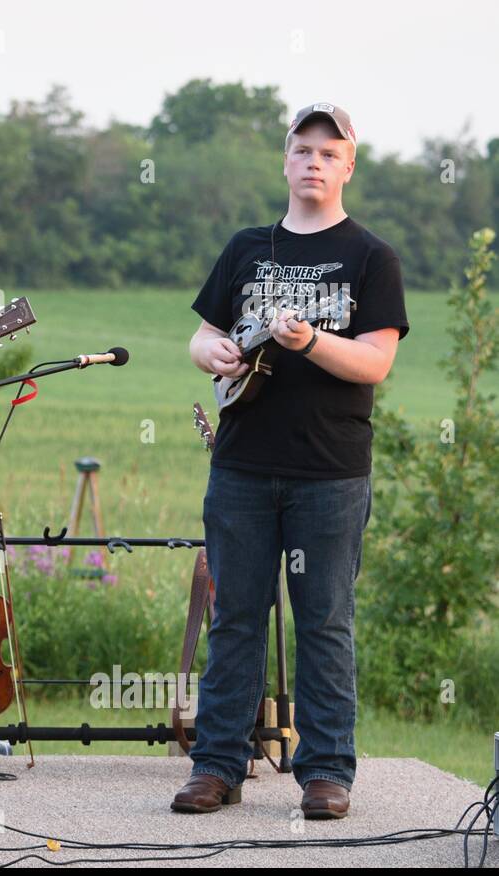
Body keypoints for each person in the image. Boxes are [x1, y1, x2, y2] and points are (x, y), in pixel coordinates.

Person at [180, 103, 408, 819]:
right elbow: (203, 337)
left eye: (328, 152)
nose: (314, 162)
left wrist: (309, 341)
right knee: (237, 617)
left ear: (348, 167)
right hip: (243, 465)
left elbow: (375, 363)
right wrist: (210, 352)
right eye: (302, 150)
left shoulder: (371, 257)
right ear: (285, 162)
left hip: (330, 473)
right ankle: (216, 766)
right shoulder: (249, 246)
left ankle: (326, 773)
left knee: (325, 621)